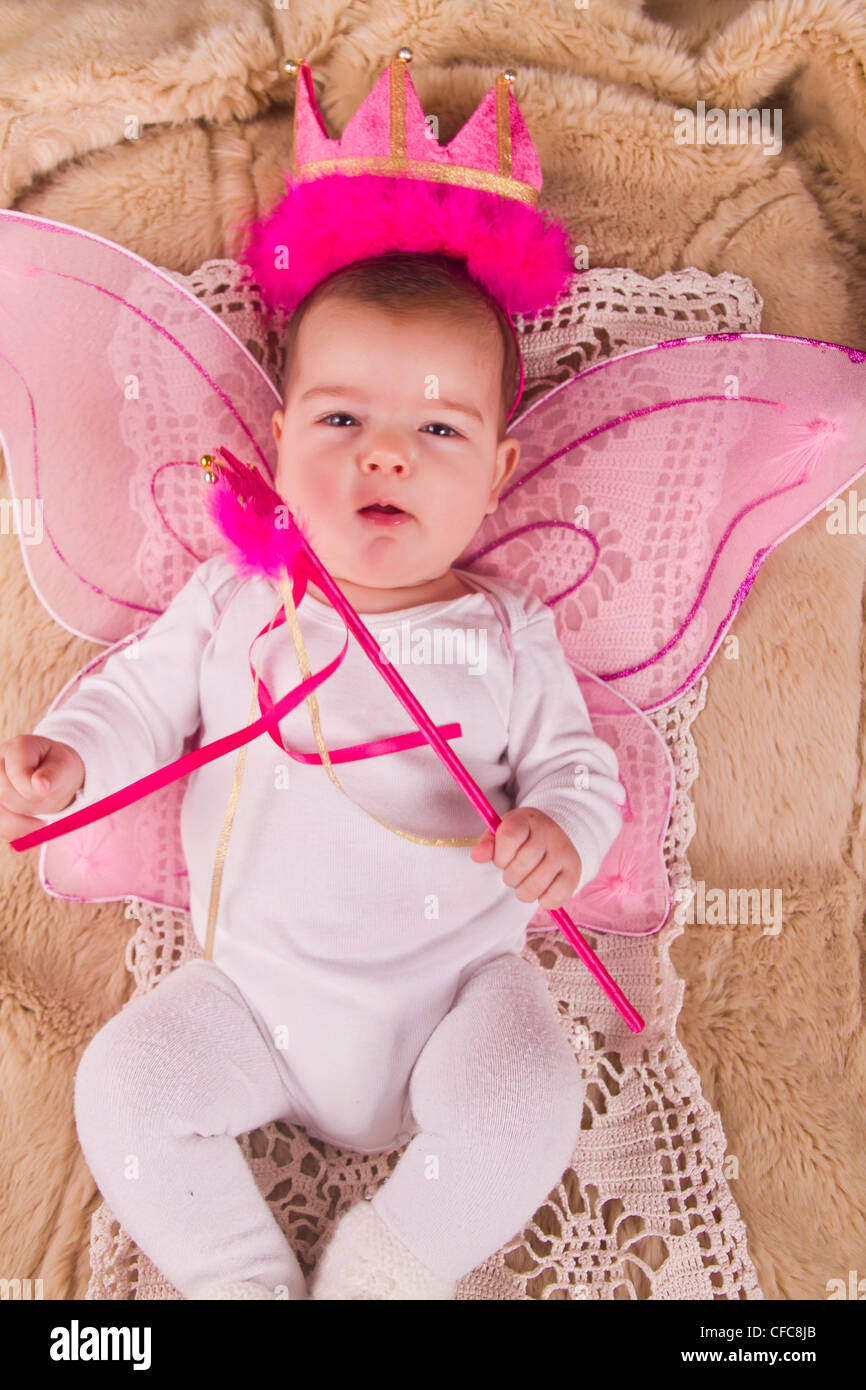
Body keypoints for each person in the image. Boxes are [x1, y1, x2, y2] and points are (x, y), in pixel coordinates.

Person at [0, 250, 626, 1300]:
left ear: (497, 471)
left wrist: (560, 829)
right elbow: (141, 700)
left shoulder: (506, 632)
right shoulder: (236, 600)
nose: (385, 458)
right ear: (280, 444)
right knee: (121, 1088)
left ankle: (384, 1269)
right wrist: (71, 757)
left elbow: (578, 767)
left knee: (529, 1098)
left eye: (436, 430)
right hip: (249, 998)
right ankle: (239, 1276)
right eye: (341, 423)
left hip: (455, 991)